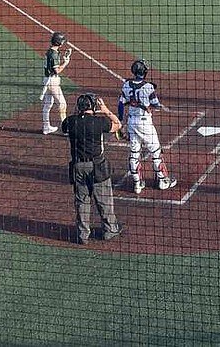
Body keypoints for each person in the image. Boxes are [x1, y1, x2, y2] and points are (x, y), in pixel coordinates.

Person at [62, 92, 123, 245]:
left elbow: (64, 127)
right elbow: (118, 124)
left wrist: (78, 113)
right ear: (93, 106)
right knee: (104, 199)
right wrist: (105, 110)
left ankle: (83, 234)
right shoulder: (99, 122)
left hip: (77, 166)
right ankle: (110, 230)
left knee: (82, 201)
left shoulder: (70, 122)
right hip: (97, 166)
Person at [117, 60, 177, 194]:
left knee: (134, 153)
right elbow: (155, 104)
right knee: (156, 152)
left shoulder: (126, 85)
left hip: (131, 123)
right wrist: (146, 105)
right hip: (145, 123)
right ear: (144, 72)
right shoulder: (148, 87)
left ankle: (137, 184)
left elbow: (121, 104)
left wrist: (120, 121)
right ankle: (162, 181)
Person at [40, 31, 71, 135]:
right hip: (52, 82)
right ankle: (66, 129)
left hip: (47, 80)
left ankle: (46, 127)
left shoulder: (50, 51)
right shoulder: (53, 54)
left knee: (47, 105)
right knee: (62, 104)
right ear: (59, 42)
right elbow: (57, 70)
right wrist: (65, 63)